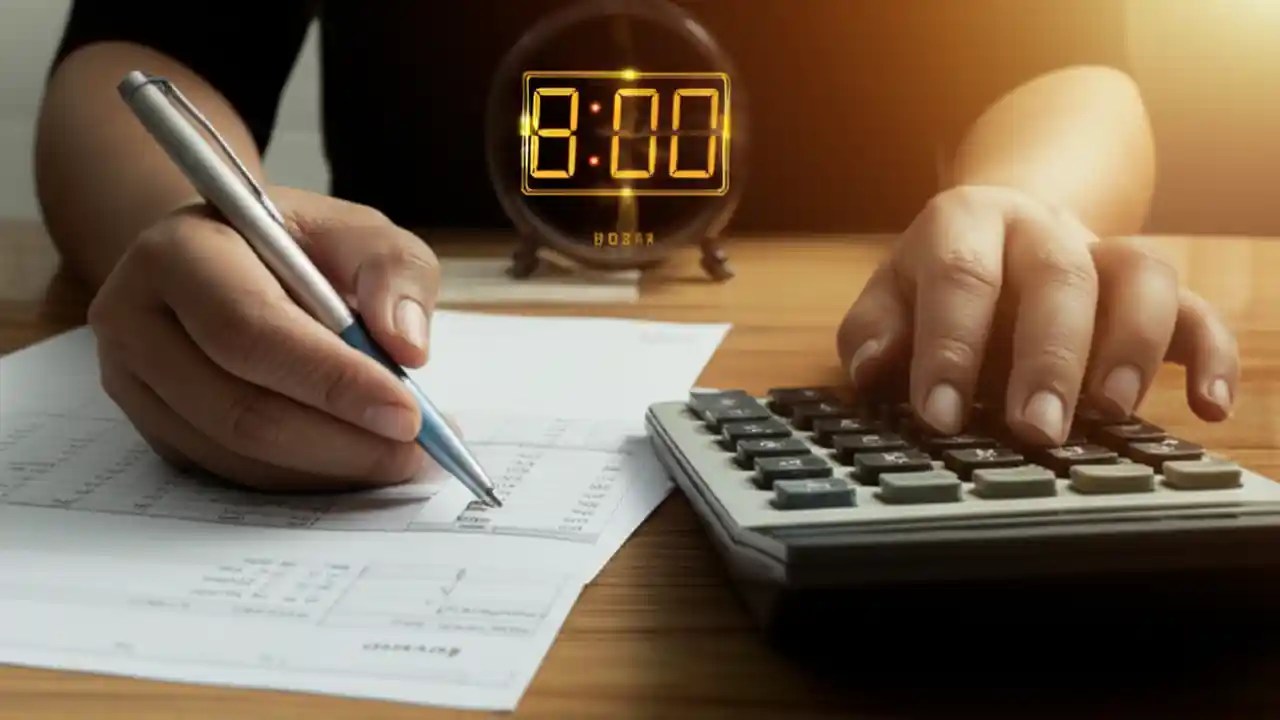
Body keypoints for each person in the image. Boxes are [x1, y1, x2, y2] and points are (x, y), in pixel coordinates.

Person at [34, 1, 1237, 492]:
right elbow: (130, 56)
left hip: (853, 354)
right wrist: (201, 233)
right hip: (408, 307)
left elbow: (1066, 70)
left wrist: (1022, 204)